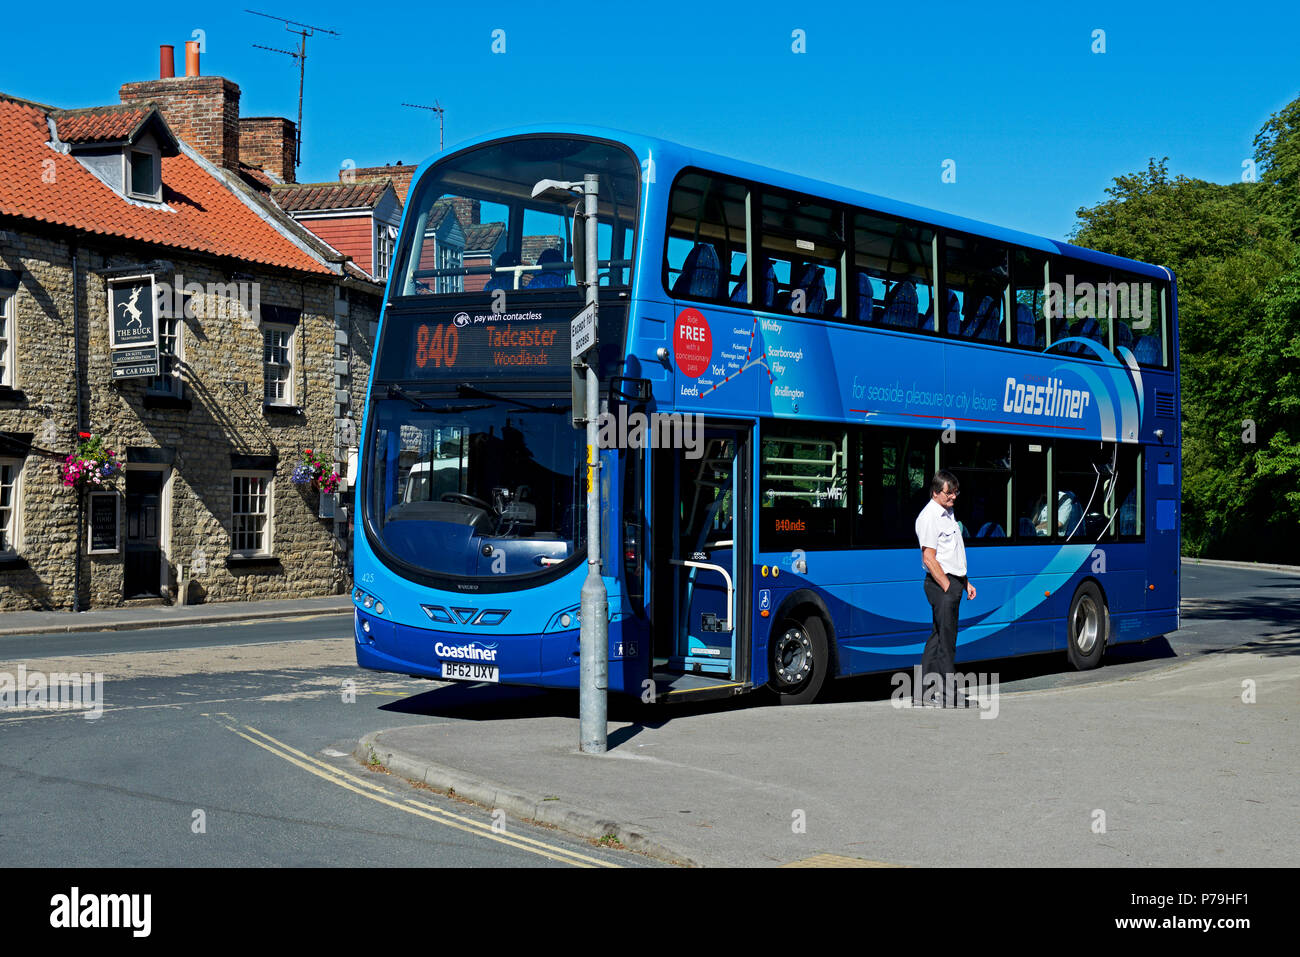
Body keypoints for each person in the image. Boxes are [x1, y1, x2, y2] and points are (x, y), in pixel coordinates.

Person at [915, 469, 977, 707]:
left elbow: (953, 553)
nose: (953, 497)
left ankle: (922, 692)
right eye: (949, 493)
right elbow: (929, 558)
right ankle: (949, 695)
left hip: (953, 581)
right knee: (947, 641)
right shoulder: (929, 517)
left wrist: (965, 581)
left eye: (955, 492)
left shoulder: (947, 513)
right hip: (941, 585)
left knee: (938, 637)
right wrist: (948, 585)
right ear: (935, 492)